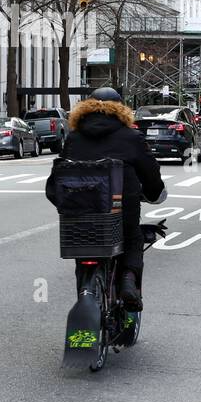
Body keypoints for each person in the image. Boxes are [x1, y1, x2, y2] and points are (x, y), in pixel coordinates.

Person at [47, 87, 165, 311]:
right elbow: (151, 174)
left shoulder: (74, 138)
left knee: (84, 248)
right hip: (121, 207)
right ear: (121, 109)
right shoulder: (131, 137)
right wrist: (154, 193)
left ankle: (85, 292)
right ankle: (128, 280)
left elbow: (58, 177)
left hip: (80, 210)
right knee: (132, 238)